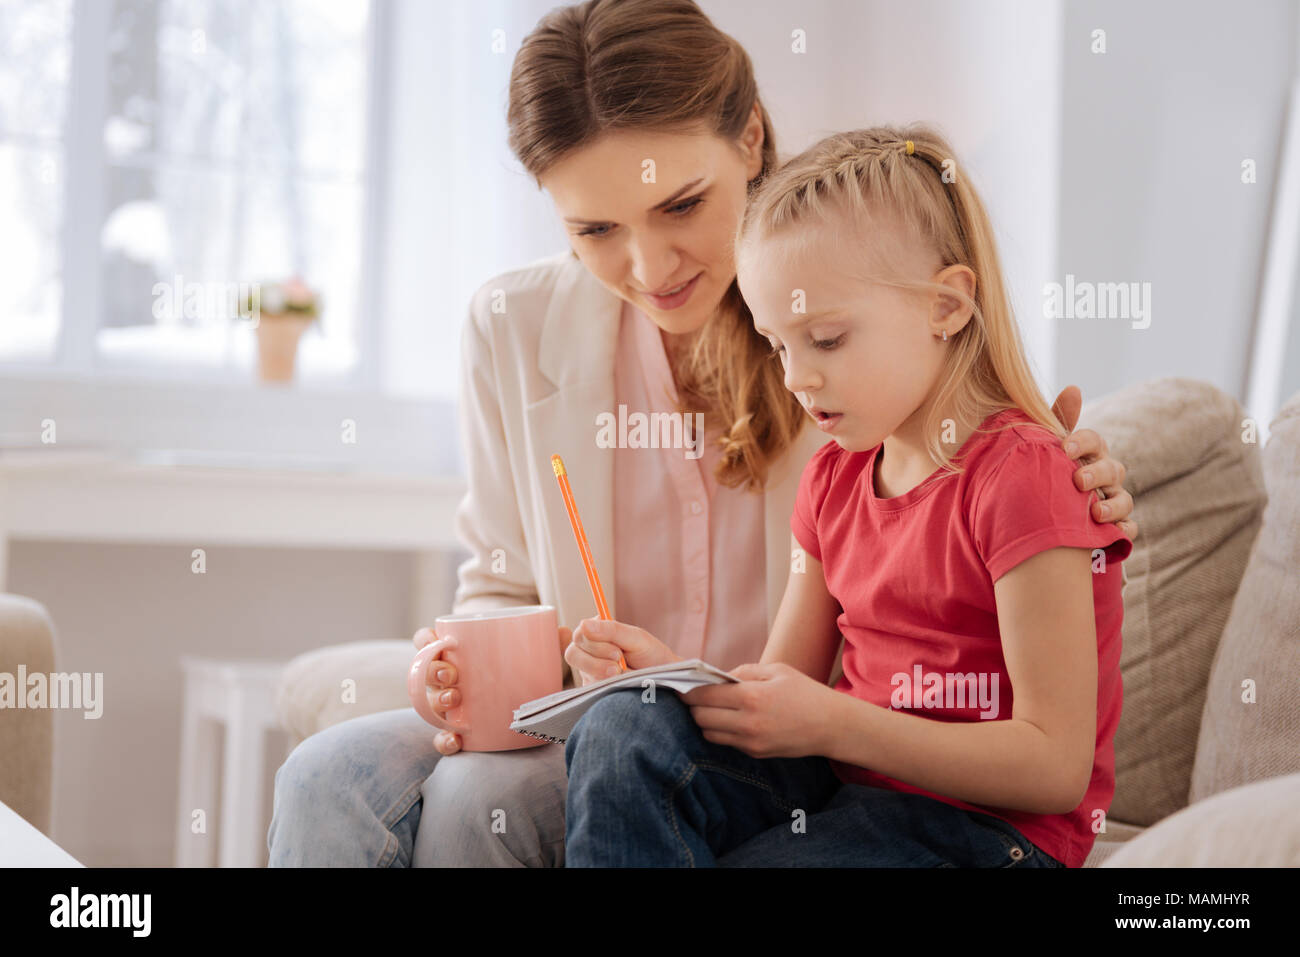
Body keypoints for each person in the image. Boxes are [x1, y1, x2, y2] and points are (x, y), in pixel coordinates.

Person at [267, 0, 1135, 868]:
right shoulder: (512, 326)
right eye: (595, 230)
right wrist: (472, 669)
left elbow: (986, 445)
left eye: (680, 205)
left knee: (476, 798)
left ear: (750, 140)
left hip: (805, 751)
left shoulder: (853, 307)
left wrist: (1077, 482)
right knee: (322, 774)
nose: (650, 269)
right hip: (650, 717)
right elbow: (504, 580)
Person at [562, 124, 1133, 868]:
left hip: (989, 833)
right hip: (846, 793)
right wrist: (670, 675)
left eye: (825, 338)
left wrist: (838, 725)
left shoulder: (1021, 477)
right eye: (776, 343)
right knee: (618, 728)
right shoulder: (833, 479)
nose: (795, 375)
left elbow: (1053, 768)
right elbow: (782, 690)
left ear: (947, 306)